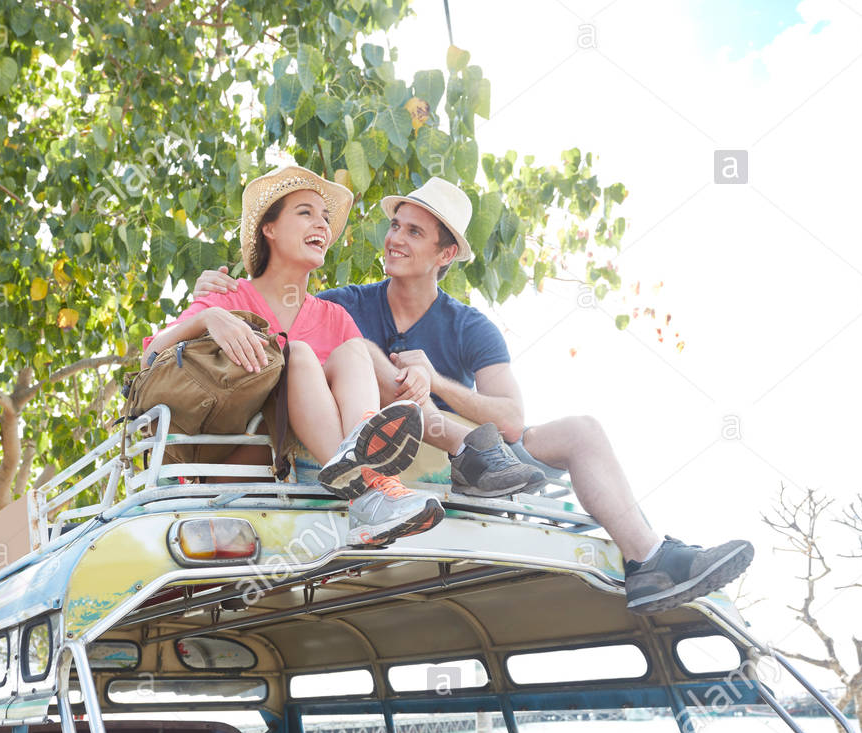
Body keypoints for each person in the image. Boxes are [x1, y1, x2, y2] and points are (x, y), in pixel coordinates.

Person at [193, 177, 753, 613]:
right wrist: (211, 299)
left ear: (444, 255)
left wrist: (435, 380)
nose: (394, 239)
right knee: (360, 357)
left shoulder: (470, 326)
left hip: (476, 454)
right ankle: (454, 457)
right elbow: (287, 320)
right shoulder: (346, 306)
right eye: (397, 226)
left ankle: (649, 559)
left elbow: (512, 419)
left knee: (582, 429)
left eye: (414, 232)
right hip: (395, 445)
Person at [141, 166, 443, 547]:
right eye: (305, 212)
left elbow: (375, 393)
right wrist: (206, 317)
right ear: (269, 229)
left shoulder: (334, 316)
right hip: (245, 472)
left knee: (353, 351)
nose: (322, 224)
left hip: (311, 475)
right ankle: (370, 490)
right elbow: (149, 359)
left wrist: (420, 378)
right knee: (297, 353)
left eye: (326, 218)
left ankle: (372, 487)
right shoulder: (228, 297)